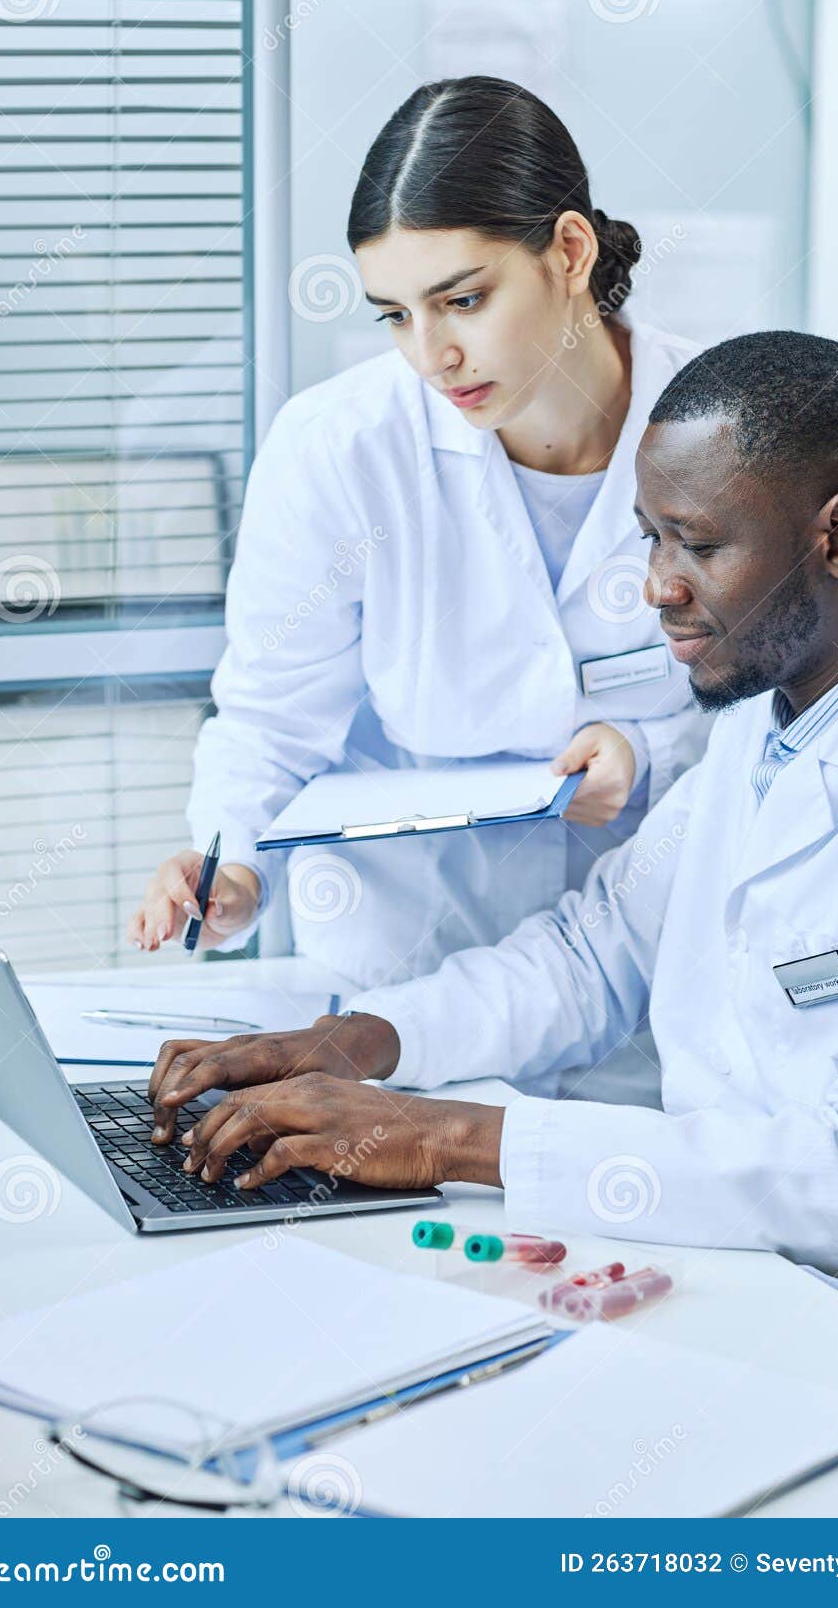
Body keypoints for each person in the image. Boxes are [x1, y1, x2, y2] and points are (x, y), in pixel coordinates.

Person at [146, 329, 838, 1375]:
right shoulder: (773, 703)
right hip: (732, 1286)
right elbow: (594, 950)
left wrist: (456, 1136)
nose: (655, 587)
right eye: (647, 538)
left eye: (694, 543)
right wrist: (366, 1041)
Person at [127, 76, 707, 997]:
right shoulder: (339, 446)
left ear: (568, 250)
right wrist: (229, 870)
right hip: (402, 967)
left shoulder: (725, 427)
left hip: (646, 955)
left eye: (463, 301)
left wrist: (652, 757)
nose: (429, 356)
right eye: (396, 315)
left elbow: (796, 702)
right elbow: (272, 717)